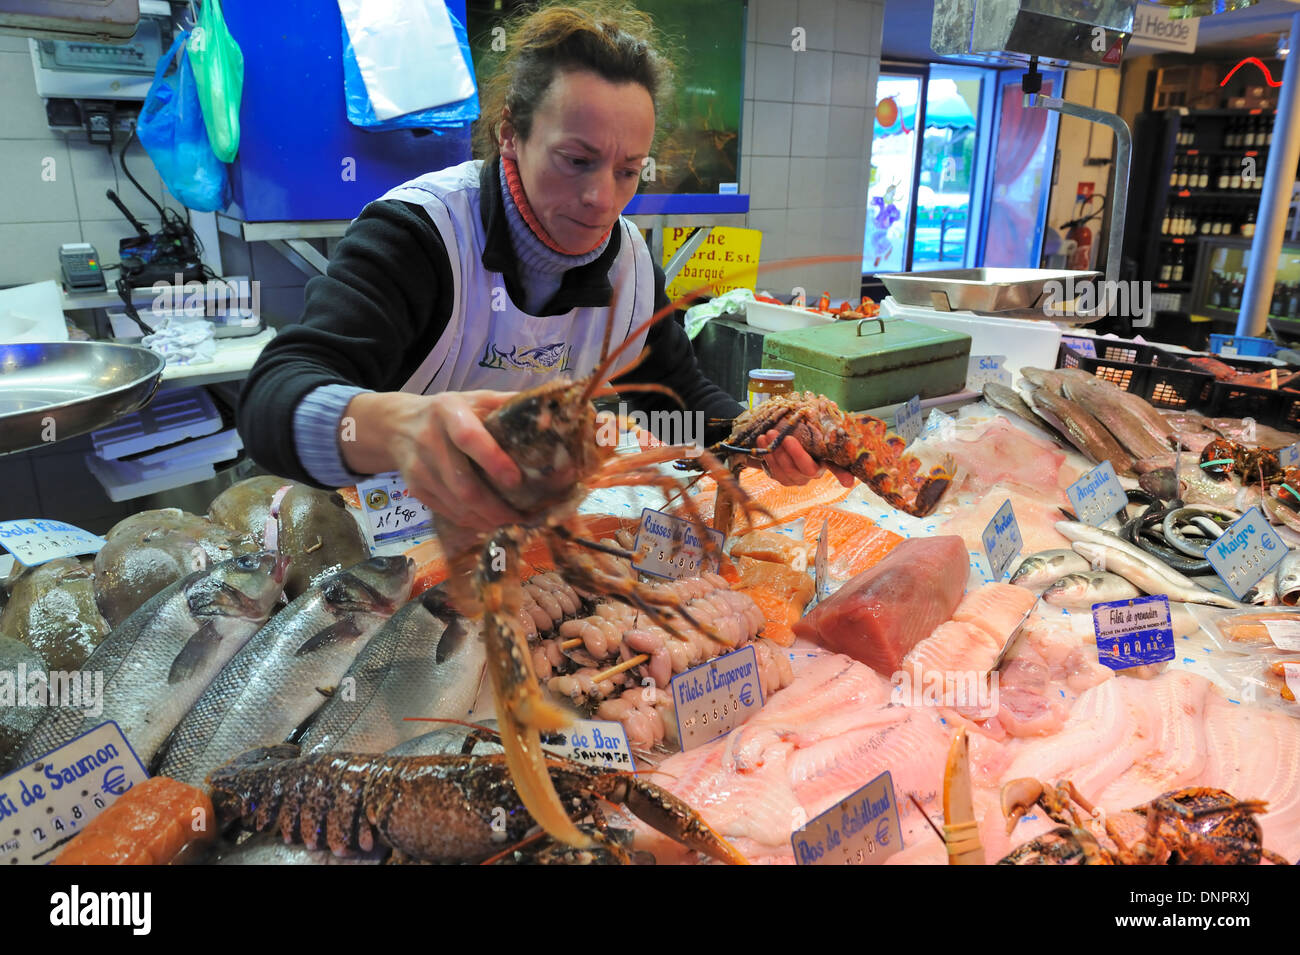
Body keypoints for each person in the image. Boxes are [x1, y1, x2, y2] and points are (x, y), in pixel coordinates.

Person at [238, 2, 849, 530]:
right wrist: (401, 427)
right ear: (511, 133)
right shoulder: (422, 236)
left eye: (627, 171)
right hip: (387, 530)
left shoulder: (630, 262)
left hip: (518, 531)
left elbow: (672, 396)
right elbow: (272, 400)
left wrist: (752, 435)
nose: (602, 199)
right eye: (576, 160)